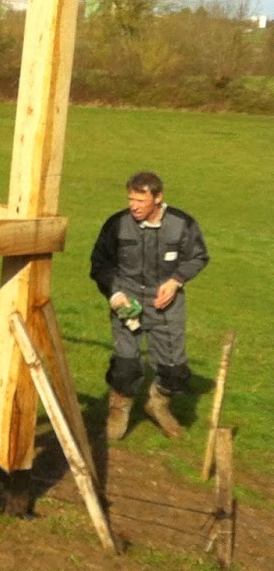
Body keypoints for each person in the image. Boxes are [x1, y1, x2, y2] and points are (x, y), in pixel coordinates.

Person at [89, 170, 208, 440]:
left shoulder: (182, 224)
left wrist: (176, 280)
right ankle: (118, 411)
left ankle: (157, 404)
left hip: (166, 305)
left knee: (175, 372)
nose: (133, 206)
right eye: (131, 199)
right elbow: (100, 264)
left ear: (158, 197)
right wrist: (115, 295)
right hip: (127, 301)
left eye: (140, 200)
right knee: (125, 367)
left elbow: (198, 256)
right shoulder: (116, 224)